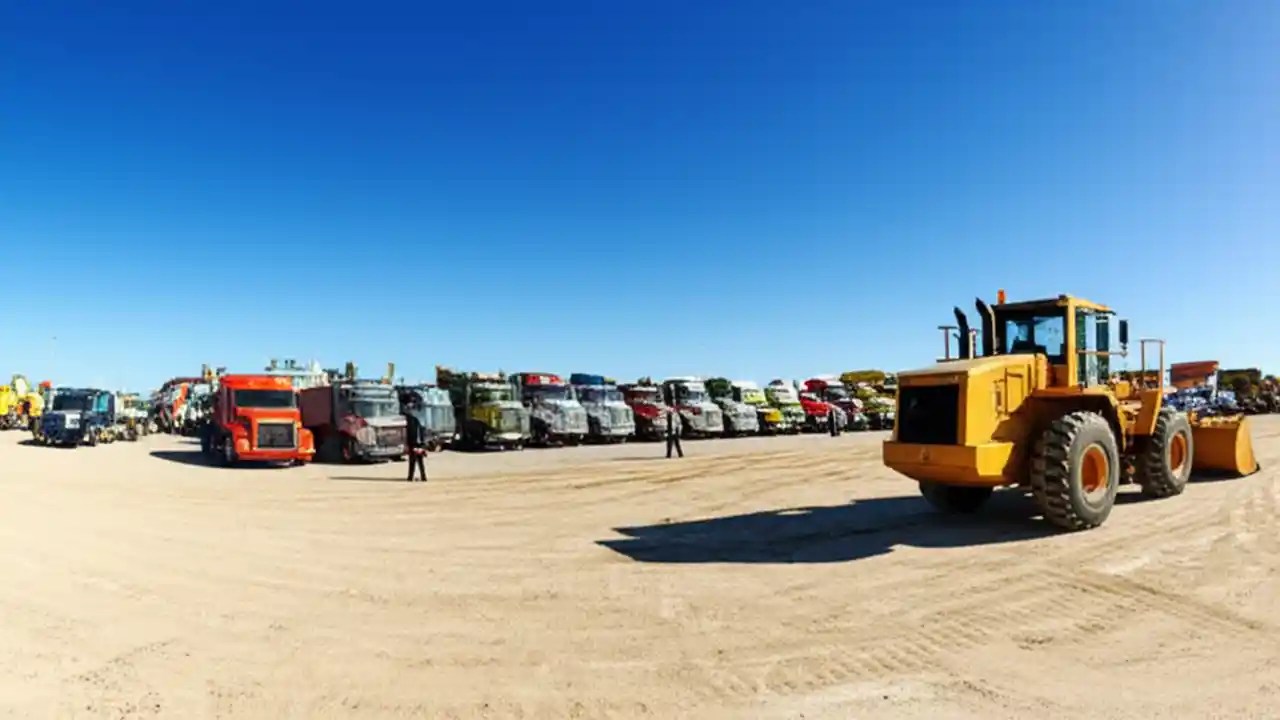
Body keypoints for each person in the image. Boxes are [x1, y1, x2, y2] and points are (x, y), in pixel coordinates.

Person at [404, 396, 428, 482]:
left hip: (415, 442)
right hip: (417, 442)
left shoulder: (412, 420)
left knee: (415, 461)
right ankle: (420, 476)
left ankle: (413, 477)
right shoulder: (419, 419)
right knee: (417, 461)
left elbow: (413, 432)